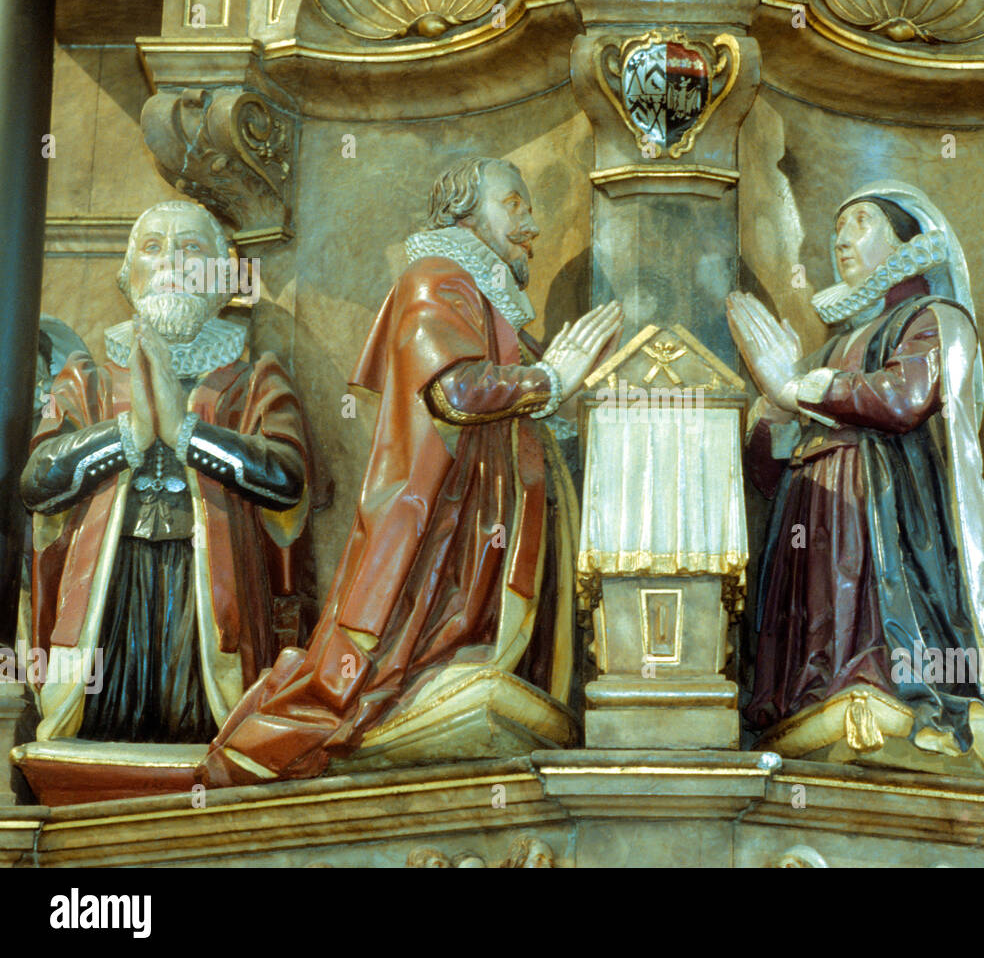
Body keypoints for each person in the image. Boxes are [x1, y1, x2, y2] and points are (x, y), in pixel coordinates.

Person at [198, 156, 622, 785]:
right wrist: (551, 378)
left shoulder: (486, 297)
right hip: (446, 520)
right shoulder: (435, 278)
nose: (531, 221)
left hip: (482, 520)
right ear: (463, 213)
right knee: (404, 651)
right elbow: (453, 390)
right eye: (514, 204)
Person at [729, 179, 984, 786]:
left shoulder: (935, 319)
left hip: (884, 511)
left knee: (868, 614)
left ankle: (876, 683)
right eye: (836, 229)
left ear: (907, 235)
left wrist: (798, 388)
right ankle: (807, 693)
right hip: (814, 507)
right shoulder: (834, 344)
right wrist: (775, 412)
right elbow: (766, 472)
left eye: (860, 222)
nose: (840, 239)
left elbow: (907, 397)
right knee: (819, 615)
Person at [22, 201, 319, 743]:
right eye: (153, 247)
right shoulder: (85, 381)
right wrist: (128, 434)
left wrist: (186, 433)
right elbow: (38, 481)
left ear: (224, 277)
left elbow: (286, 478)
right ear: (126, 273)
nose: (171, 263)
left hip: (209, 585)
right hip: (109, 587)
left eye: (190, 248)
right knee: (106, 723)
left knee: (199, 724)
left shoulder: (255, 380)